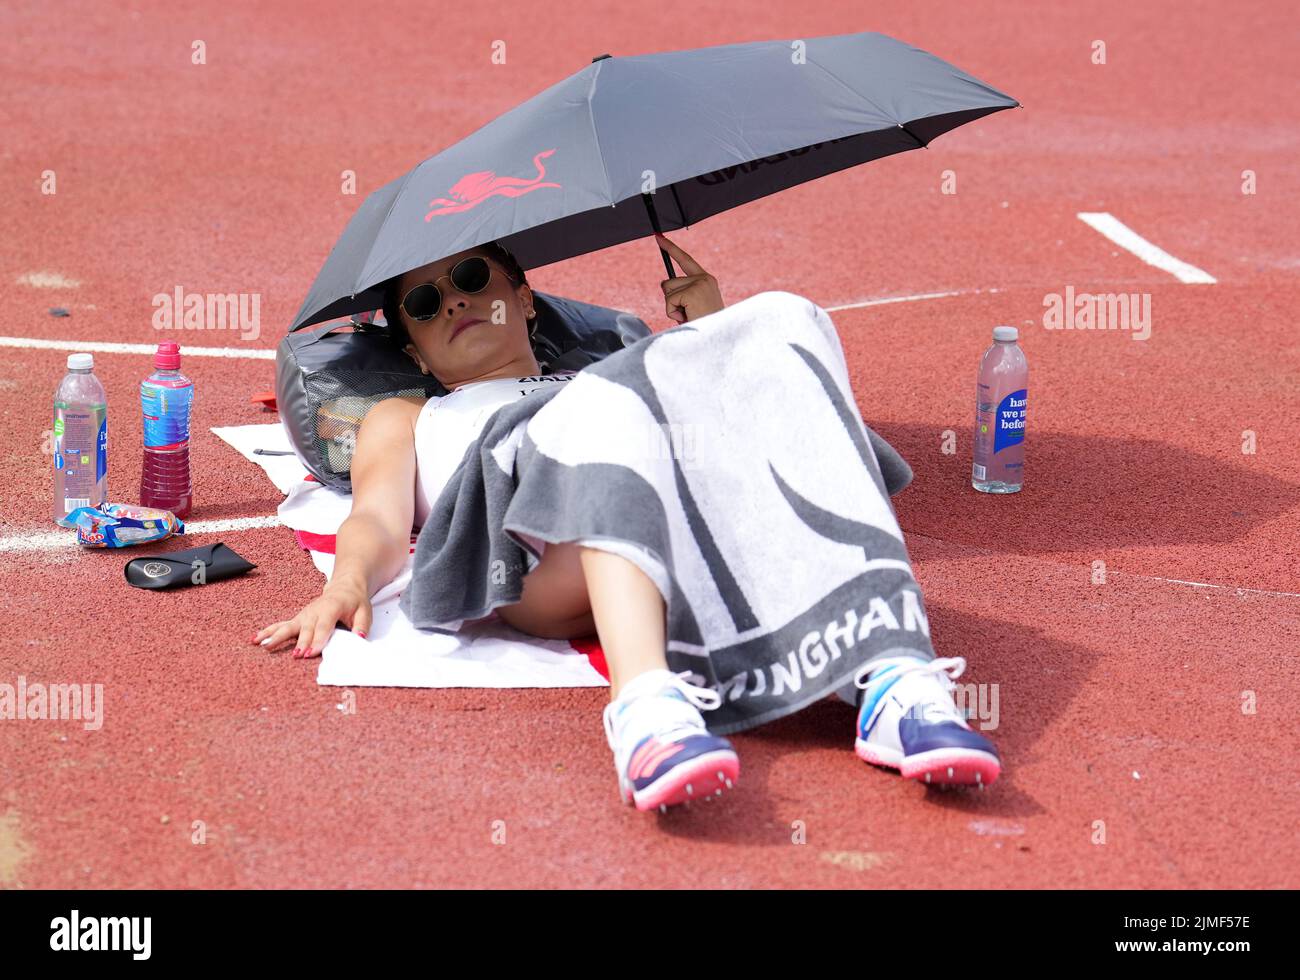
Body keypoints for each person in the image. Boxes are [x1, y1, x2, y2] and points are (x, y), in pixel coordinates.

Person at [252, 234, 1000, 813]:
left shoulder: (608, 372)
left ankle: (892, 682)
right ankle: (645, 708)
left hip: (673, 527)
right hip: (532, 555)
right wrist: (344, 584)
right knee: (612, 400)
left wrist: (711, 326)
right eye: (424, 304)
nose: (453, 301)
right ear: (412, 347)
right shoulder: (408, 414)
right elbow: (379, 519)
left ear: (526, 299)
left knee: (781, 314)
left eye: (474, 278)